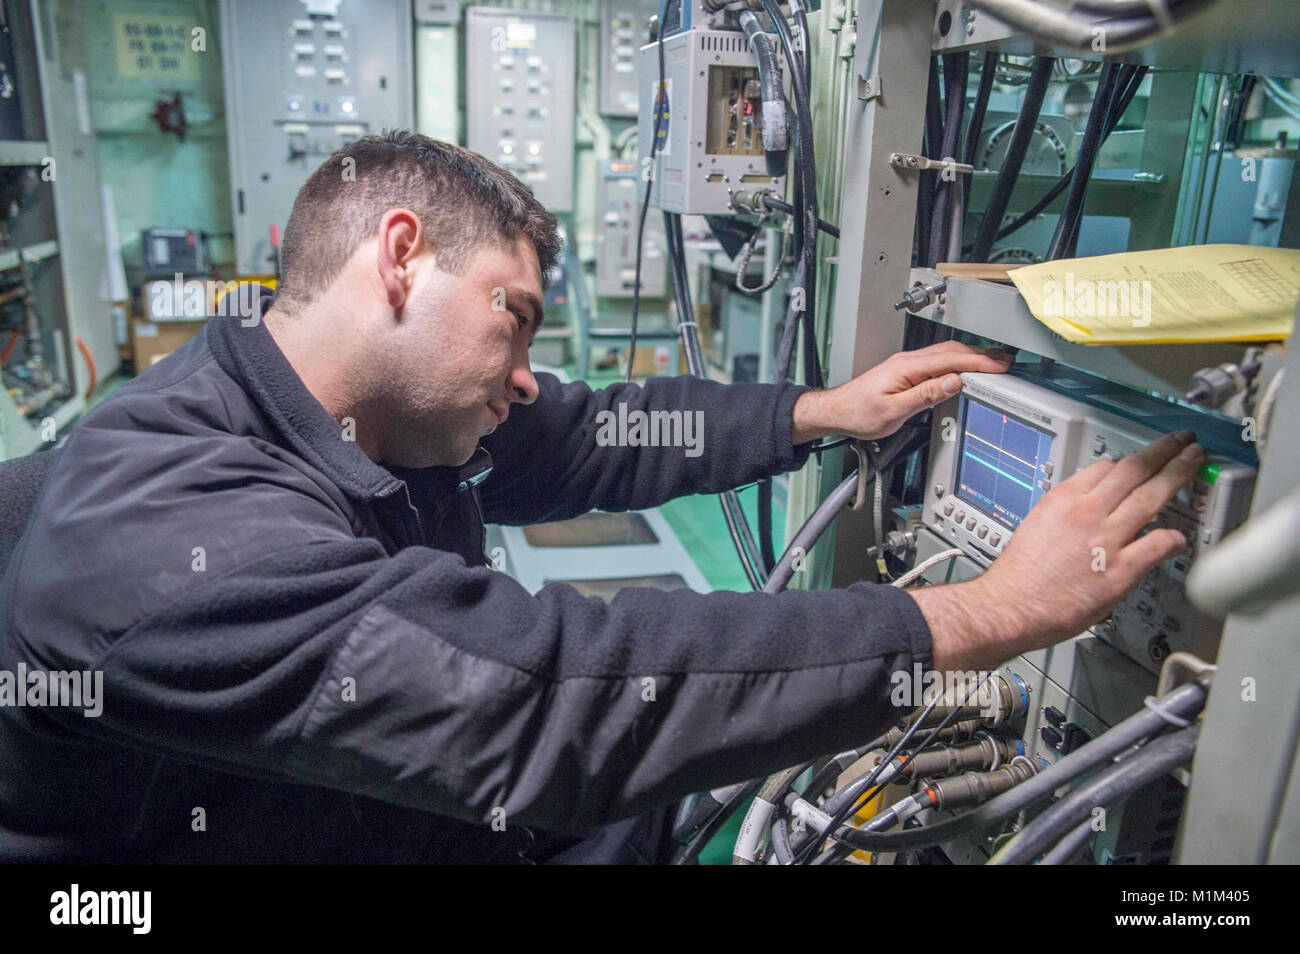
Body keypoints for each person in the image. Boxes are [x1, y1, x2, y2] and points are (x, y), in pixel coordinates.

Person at [0, 131, 1203, 863]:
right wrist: (986, 612)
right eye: (516, 318)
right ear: (401, 256)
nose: (529, 373)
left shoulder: (363, 415)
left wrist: (818, 411)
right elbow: (535, 699)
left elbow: (587, 435)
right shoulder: (169, 532)